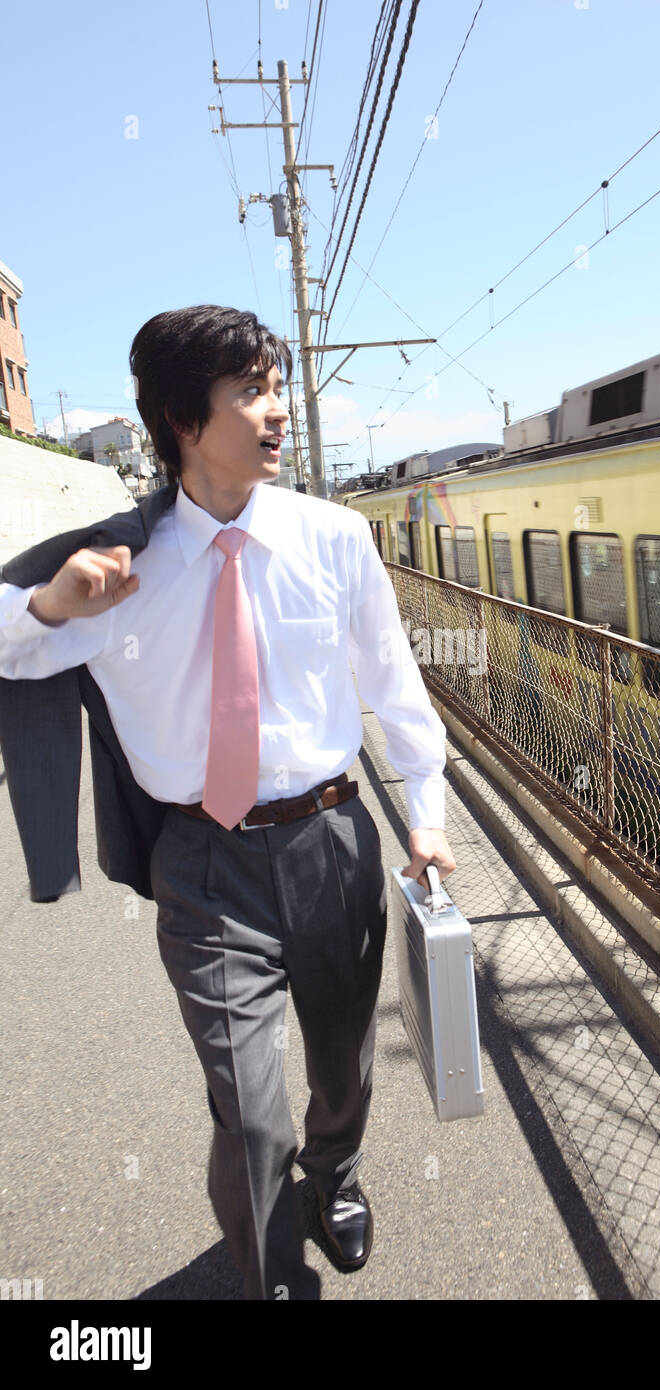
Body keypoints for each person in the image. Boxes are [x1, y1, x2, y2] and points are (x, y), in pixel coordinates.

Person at [2, 304, 456, 1300]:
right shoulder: (118, 567)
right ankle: (268, 1280)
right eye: (248, 390)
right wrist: (45, 605)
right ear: (181, 420)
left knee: (343, 1068)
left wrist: (424, 813)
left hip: (334, 839)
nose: (276, 409)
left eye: (275, 384)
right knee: (249, 1113)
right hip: (203, 865)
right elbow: (9, 644)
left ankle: (333, 1176)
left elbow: (394, 688)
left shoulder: (334, 540)